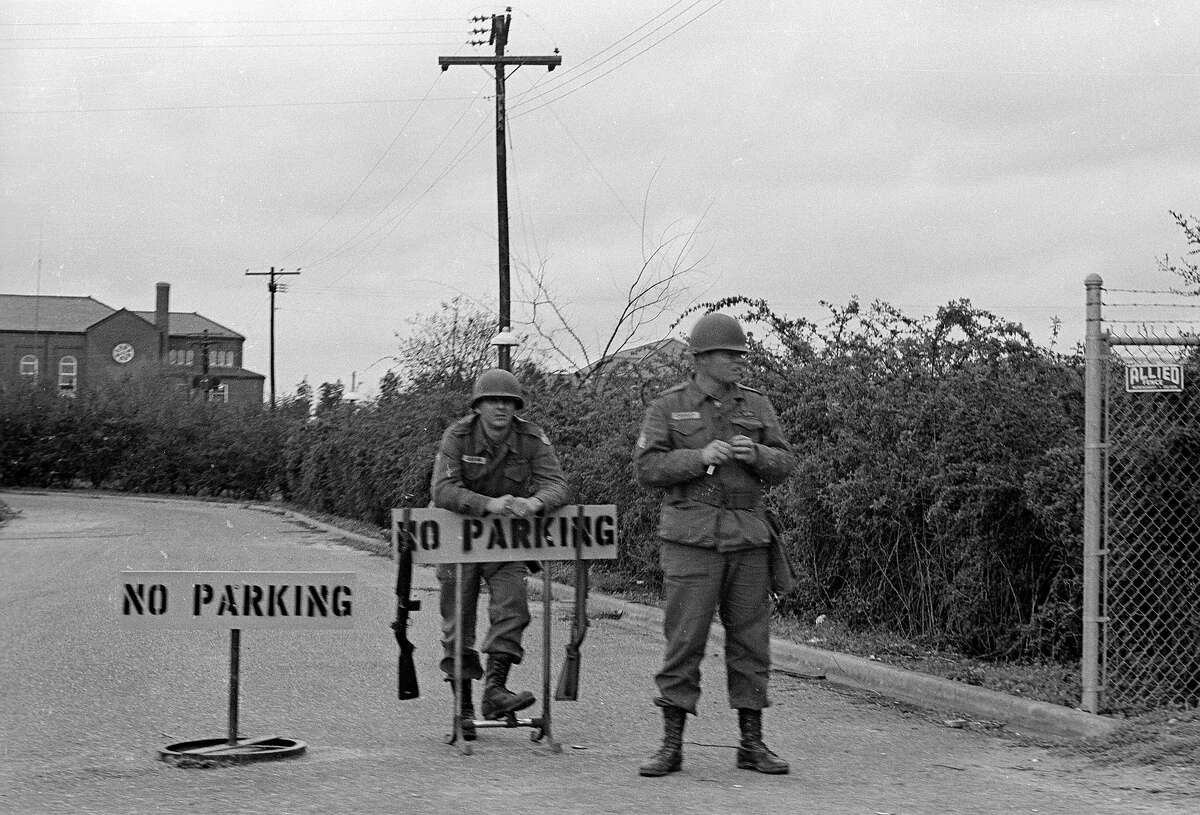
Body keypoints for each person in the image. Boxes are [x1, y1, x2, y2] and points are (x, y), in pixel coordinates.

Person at [633, 312, 797, 776]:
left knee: (752, 643)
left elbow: (786, 463)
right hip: (692, 541)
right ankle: (671, 745)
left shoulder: (758, 406)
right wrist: (698, 457)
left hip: (748, 539)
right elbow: (646, 468)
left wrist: (759, 455)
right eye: (730, 355)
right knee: (685, 641)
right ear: (702, 358)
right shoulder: (668, 406)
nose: (740, 362)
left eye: (742, 355)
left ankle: (752, 744)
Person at [430, 368, 570, 740]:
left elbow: (557, 483)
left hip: (505, 540)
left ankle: (494, 692)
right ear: (478, 406)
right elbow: (443, 489)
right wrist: (487, 503)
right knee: (457, 624)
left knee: (514, 607)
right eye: (493, 401)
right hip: (459, 538)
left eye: (508, 402)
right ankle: (462, 709)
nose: (501, 409)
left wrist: (536, 502)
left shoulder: (530, 437)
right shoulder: (458, 436)